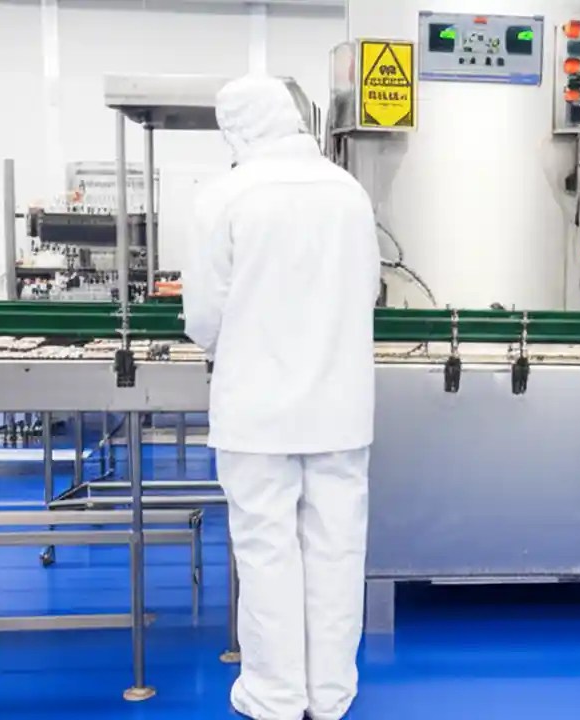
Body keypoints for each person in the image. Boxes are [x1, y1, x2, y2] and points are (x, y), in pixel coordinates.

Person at [183, 75, 381, 720]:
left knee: (266, 551)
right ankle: (330, 694)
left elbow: (202, 317)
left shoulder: (227, 194)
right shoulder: (348, 193)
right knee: (336, 551)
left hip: (256, 411)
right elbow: (370, 289)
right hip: (339, 407)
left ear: (236, 129)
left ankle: (273, 695)